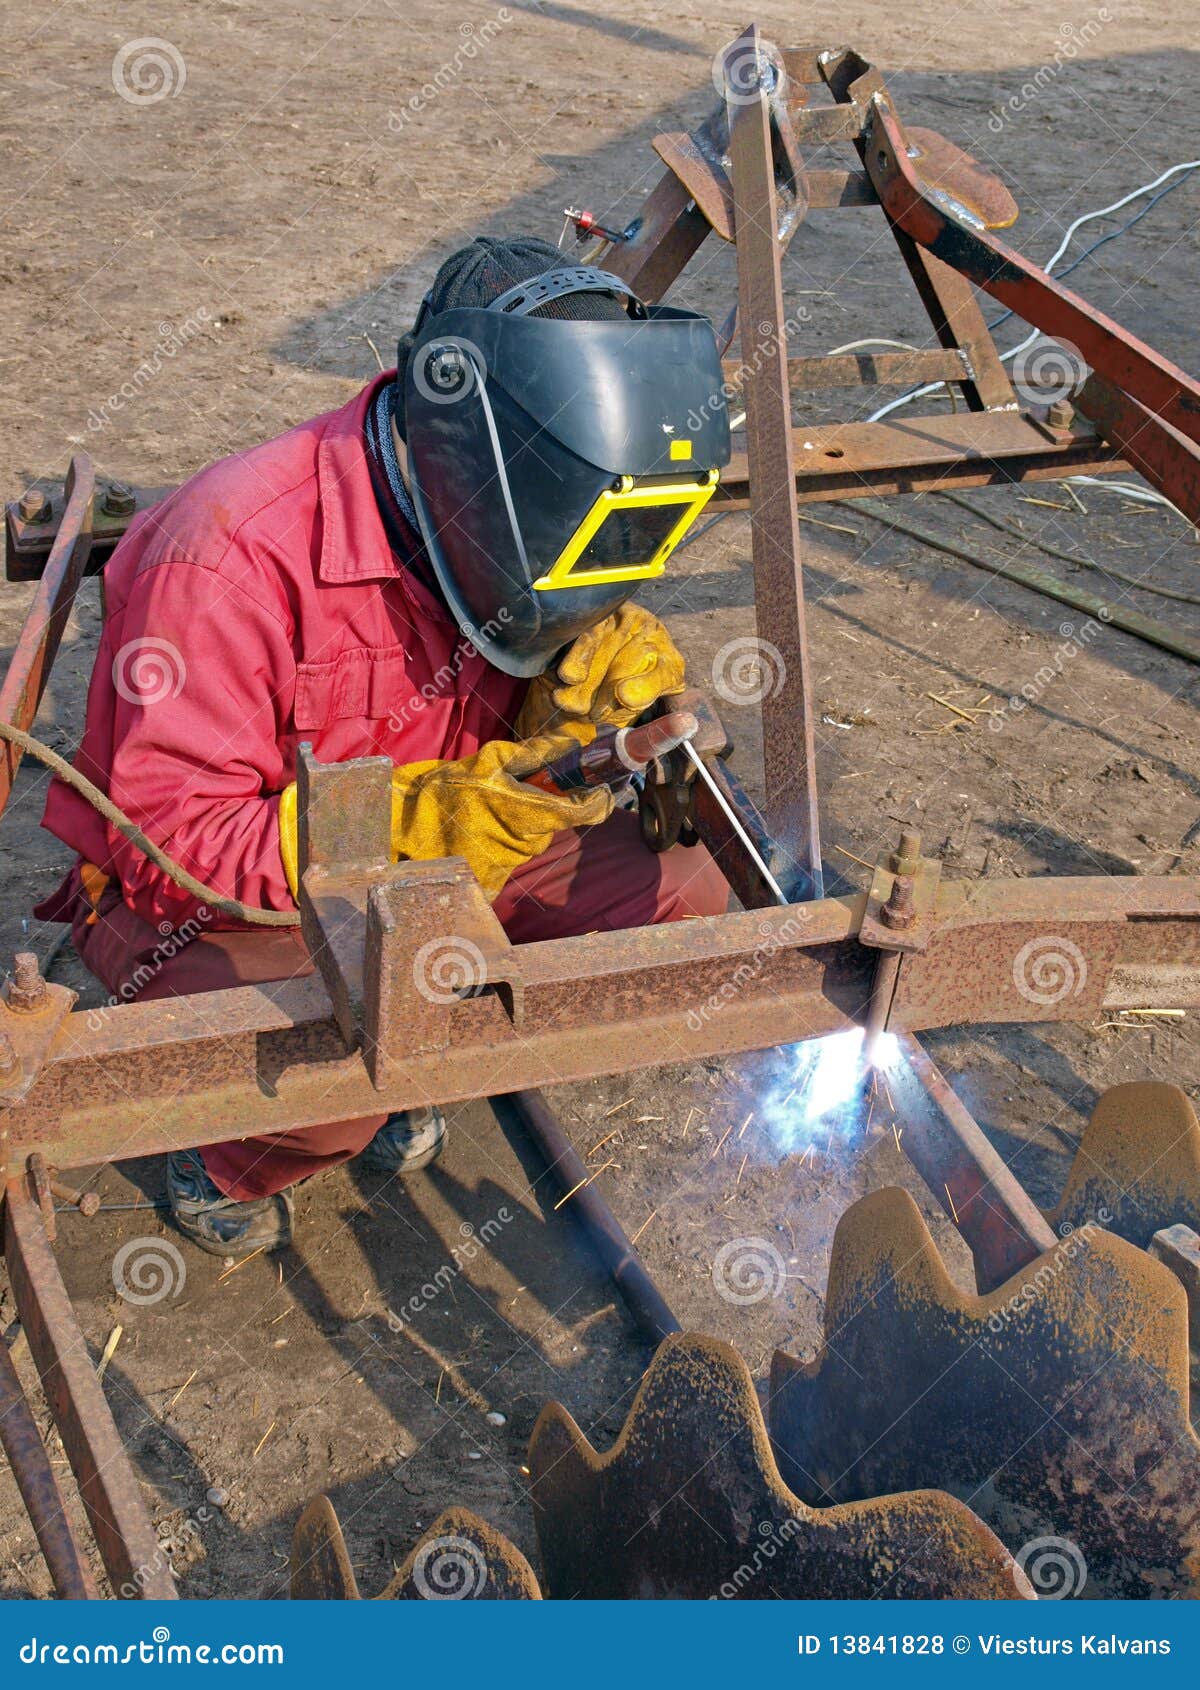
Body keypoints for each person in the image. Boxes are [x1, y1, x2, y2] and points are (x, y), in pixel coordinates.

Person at [37, 235, 732, 1256]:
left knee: (686, 892)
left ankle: (432, 1035)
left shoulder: (514, 505)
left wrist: (586, 689)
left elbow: (552, 646)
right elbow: (169, 847)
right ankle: (232, 1157)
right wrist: (435, 831)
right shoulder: (229, 553)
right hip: (206, 910)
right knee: (347, 1074)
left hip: (444, 844)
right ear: (464, 456)